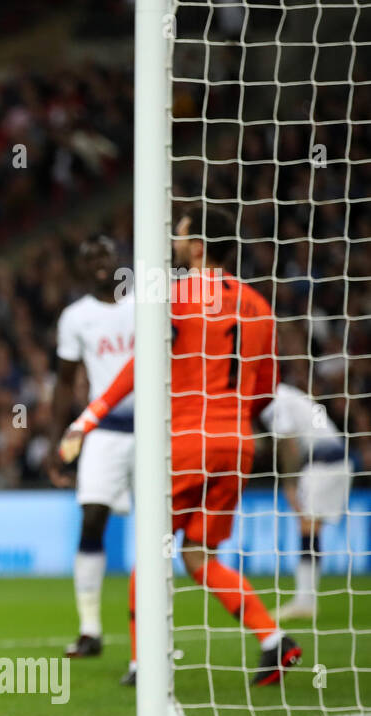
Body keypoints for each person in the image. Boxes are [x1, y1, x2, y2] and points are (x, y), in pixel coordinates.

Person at [62, 206, 300, 686]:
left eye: (179, 237)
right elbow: (268, 389)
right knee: (198, 557)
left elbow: (137, 367)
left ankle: (140, 662)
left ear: (196, 247)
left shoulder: (174, 296)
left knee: (149, 551)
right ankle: (275, 641)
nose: (172, 243)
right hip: (238, 446)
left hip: (188, 441)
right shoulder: (260, 305)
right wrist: (234, 419)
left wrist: (85, 421)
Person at [46, 235, 136, 658]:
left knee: (164, 532)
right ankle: (90, 629)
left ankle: (157, 632)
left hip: (159, 430)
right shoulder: (76, 318)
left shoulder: (149, 300)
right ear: (80, 269)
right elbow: (64, 384)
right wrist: (57, 442)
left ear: (118, 257)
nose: (99, 262)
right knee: (92, 519)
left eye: (104, 253)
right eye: (89, 257)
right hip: (104, 430)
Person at [258, 382, 353, 619]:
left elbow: (287, 442)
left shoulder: (273, 399)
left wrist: (289, 485)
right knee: (311, 526)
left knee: (308, 524)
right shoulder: (285, 393)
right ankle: (305, 599)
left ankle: (305, 601)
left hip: (324, 462)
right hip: (335, 460)